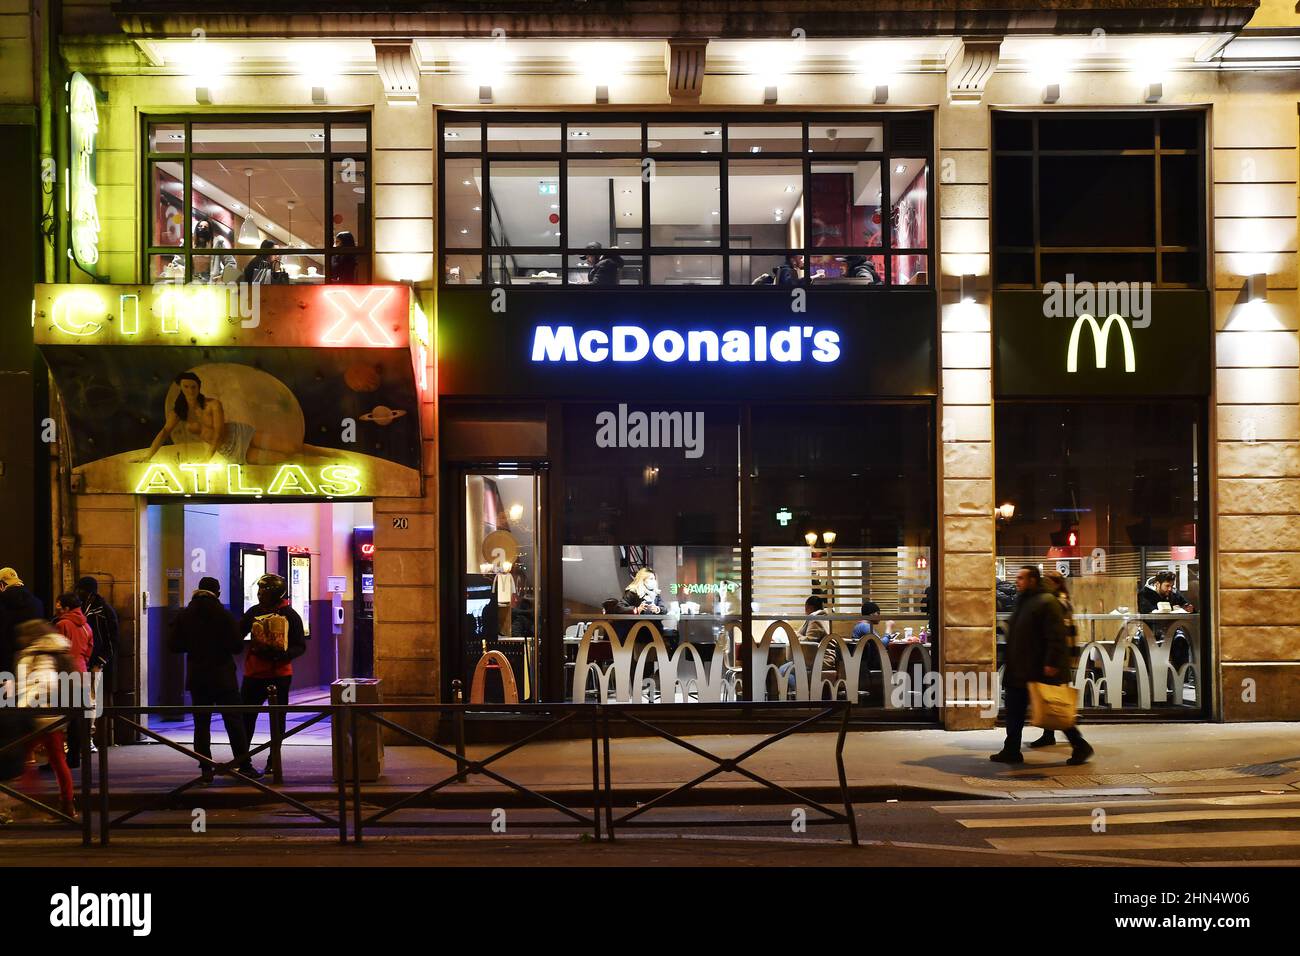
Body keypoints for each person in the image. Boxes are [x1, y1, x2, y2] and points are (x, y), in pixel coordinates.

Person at [991, 565, 1093, 766]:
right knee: (1014, 712)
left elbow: (1056, 636)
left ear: (1033, 580)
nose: (1017, 581)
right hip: (1021, 668)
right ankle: (1011, 750)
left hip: (1038, 668)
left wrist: (1052, 663)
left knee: (1054, 710)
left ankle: (1080, 745)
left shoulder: (1047, 602)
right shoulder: (1024, 601)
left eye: (1021, 578)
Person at [169, 577, 255, 782]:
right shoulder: (223, 615)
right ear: (217, 592)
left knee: (201, 723)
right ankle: (243, 765)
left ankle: (205, 767)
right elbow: (236, 646)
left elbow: (174, 646)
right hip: (223, 676)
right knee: (234, 721)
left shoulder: (185, 615)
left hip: (198, 676)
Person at [138, 371, 297, 466]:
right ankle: (313, 457)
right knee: (281, 459)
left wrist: (207, 457)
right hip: (230, 450)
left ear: (198, 387)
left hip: (240, 434)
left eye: (193, 386)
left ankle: (321, 453)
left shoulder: (213, 404)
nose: (190, 390)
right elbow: (164, 432)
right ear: (181, 387)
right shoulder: (179, 412)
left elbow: (219, 431)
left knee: (292, 449)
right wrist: (148, 455)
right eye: (186, 386)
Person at [239, 573, 307, 776]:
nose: (260, 594)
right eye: (259, 590)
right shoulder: (253, 612)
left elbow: (300, 646)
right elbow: (238, 634)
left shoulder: (290, 615)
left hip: (279, 674)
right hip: (253, 673)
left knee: (277, 720)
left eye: (265, 591)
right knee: (245, 719)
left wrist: (283, 655)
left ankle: (273, 760)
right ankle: (243, 760)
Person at [13, 614, 77, 818]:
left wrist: (26, 704)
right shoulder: (54, 650)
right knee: (58, 760)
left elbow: (42, 683)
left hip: (37, 715)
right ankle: (67, 805)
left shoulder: (39, 654)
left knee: (17, 756)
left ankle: (24, 804)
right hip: (53, 715)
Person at [1027, 570, 1080, 750]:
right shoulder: (1055, 599)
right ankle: (1050, 734)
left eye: (1048, 581)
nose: (1045, 584)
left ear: (1057, 583)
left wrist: (1055, 659)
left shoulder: (1058, 602)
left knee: (1055, 699)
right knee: (1050, 697)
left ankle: (1075, 739)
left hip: (1058, 657)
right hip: (1058, 656)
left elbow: (1059, 634)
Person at [52, 593, 93, 769]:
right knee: (77, 718)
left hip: (65, 674)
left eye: (59, 605)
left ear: (67, 608)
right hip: (82, 672)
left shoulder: (61, 624)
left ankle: (58, 758)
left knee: (58, 718)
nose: (57, 607)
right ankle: (75, 757)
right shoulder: (86, 626)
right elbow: (90, 649)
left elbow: (56, 649)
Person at [0, 567, 44, 675]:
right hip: (33, 665)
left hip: (7, 667)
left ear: (1, 585)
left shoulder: (2, 604)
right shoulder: (37, 604)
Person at [189, 219, 236, 284]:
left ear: (209, 231)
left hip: (212, 286)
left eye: (205, 227)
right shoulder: (188, 244)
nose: (202, 228)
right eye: (200, 226)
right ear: (196, 228)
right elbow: (178, 263)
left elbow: (231, 262)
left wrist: (223, 277)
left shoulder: (217, 244)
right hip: (192, 286)